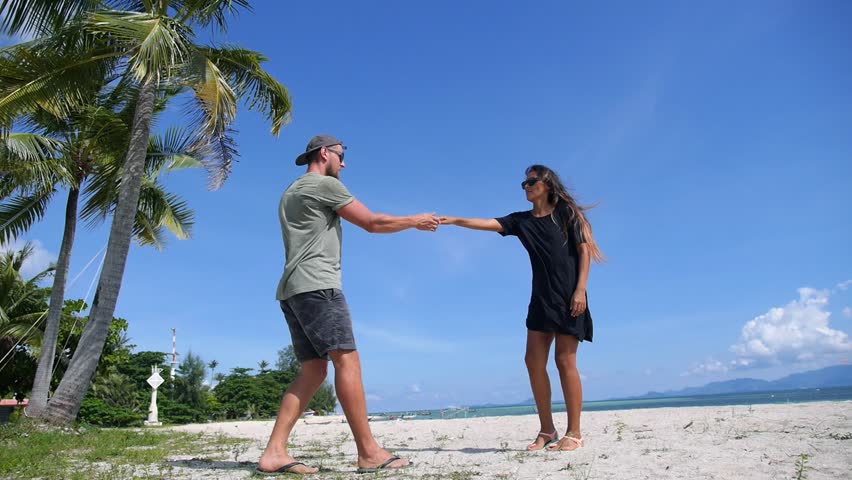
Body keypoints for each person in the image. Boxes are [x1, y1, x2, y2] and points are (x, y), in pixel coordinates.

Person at [257, 134, 438, 475]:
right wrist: (415, 220)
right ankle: (369, 452)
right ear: (325, 153)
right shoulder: (324, 185)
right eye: (341, 155)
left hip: (293, 289)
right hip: (318, 286)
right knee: (347, 361)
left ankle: (274, 453)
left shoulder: (291, 191)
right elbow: (372, 222)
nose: (344, 163)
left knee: (314, 370)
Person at [439, 165, 604, 452]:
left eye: (531, 181)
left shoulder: (566, 213)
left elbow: (584, 250)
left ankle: (574, 433)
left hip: (569, 297)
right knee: (533, 362)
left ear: (547, 184)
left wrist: (581, 290)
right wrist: (453, 220)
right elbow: (486, 223)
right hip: (540, 300)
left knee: (565, 361)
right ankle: (547, 430)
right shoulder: (521, 221)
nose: (525, 186)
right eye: (523, 183)